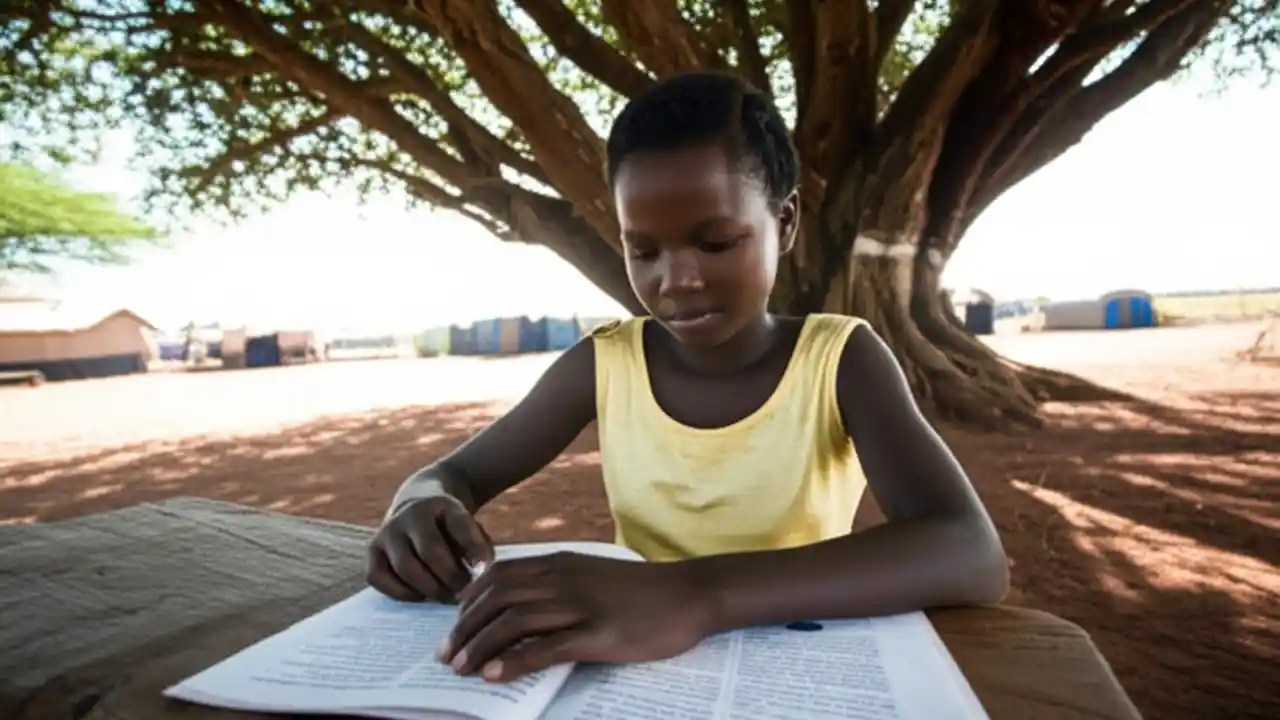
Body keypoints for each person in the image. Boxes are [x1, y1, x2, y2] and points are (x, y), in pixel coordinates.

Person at [367, 71, 1009, 684]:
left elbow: (968, 551)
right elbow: (454, 475)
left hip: (796, 658)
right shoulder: (606, 363)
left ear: (784, 222)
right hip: (633, 670)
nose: (676, 281)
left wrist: (694, 594)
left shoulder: (839, 361)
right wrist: (418, 503)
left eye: (716, 242)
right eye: (644, 251)